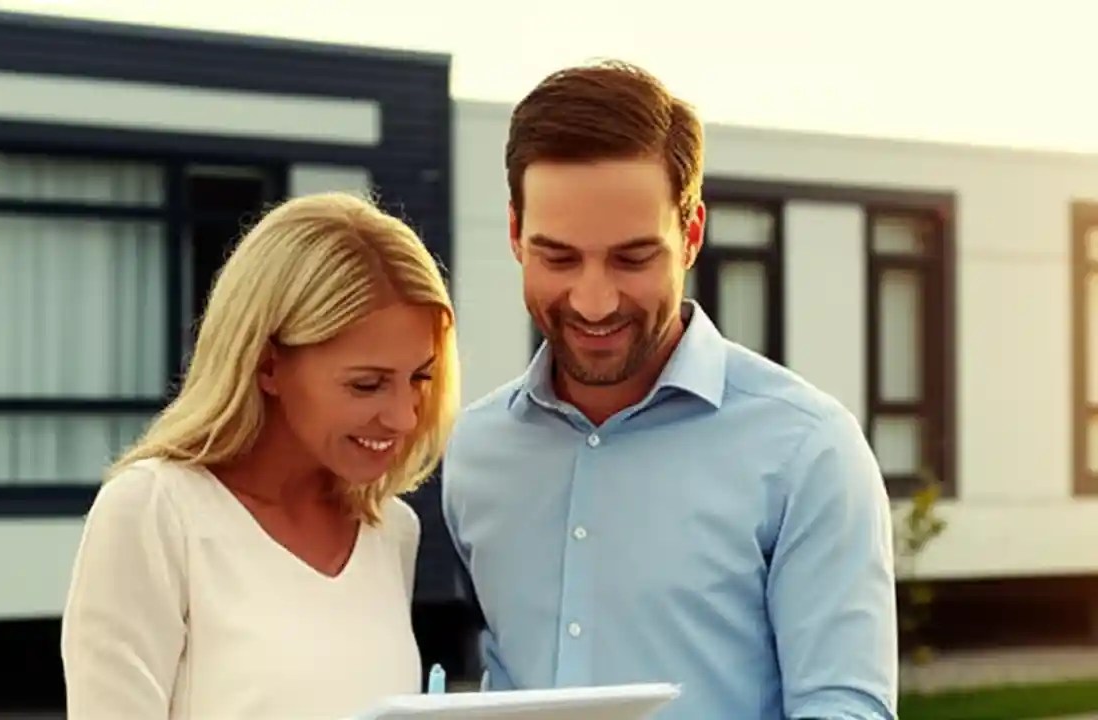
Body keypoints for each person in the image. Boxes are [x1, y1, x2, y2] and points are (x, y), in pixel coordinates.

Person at [440, 60, 898, 720]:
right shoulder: (477, 451)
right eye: (559, 257)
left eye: (632, 258)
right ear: (515, 234)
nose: (594, 302)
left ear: (690, 233)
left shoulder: (807, 450)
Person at [60, 191, 459, 720]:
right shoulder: (153, 512)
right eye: (367, 385)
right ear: (267, 365)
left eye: (420, 378)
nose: (406, 417)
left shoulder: (391, 531)